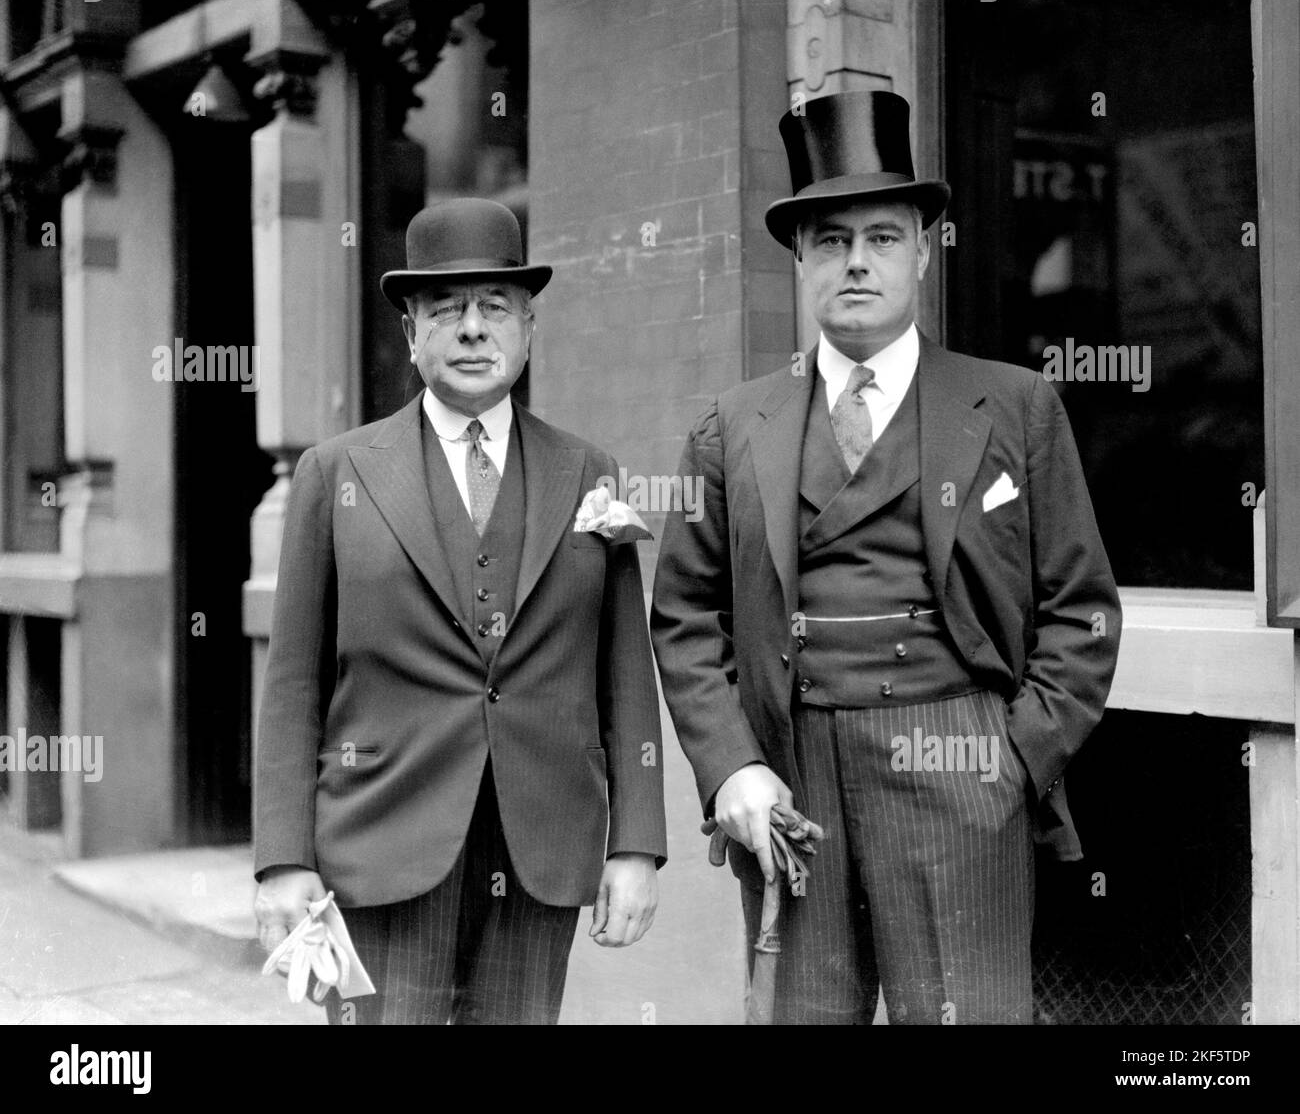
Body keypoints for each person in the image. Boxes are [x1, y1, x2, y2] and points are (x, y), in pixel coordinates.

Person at [651, 91, 1121, 1024]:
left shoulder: (1015, 406)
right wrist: (731, 768)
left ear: (921, 249)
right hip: (793, 777)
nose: (855, 261)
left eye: (880, 237)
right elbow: (683, 616)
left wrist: (1014, 759)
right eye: (829, 241)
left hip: (961, 766)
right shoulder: (733, 425)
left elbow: (1083, 608)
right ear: (800, 261)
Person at [254, 197, 666, 1024]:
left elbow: (624, 676)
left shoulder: (589, 473)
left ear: (528, 328)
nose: (473, 329)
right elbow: (294, 681)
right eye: (446, 309)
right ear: (411, 334)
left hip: (543, 845)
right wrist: (281, 860)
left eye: (496, 307)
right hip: (381, 843)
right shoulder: (336, 475)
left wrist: (637, 844)